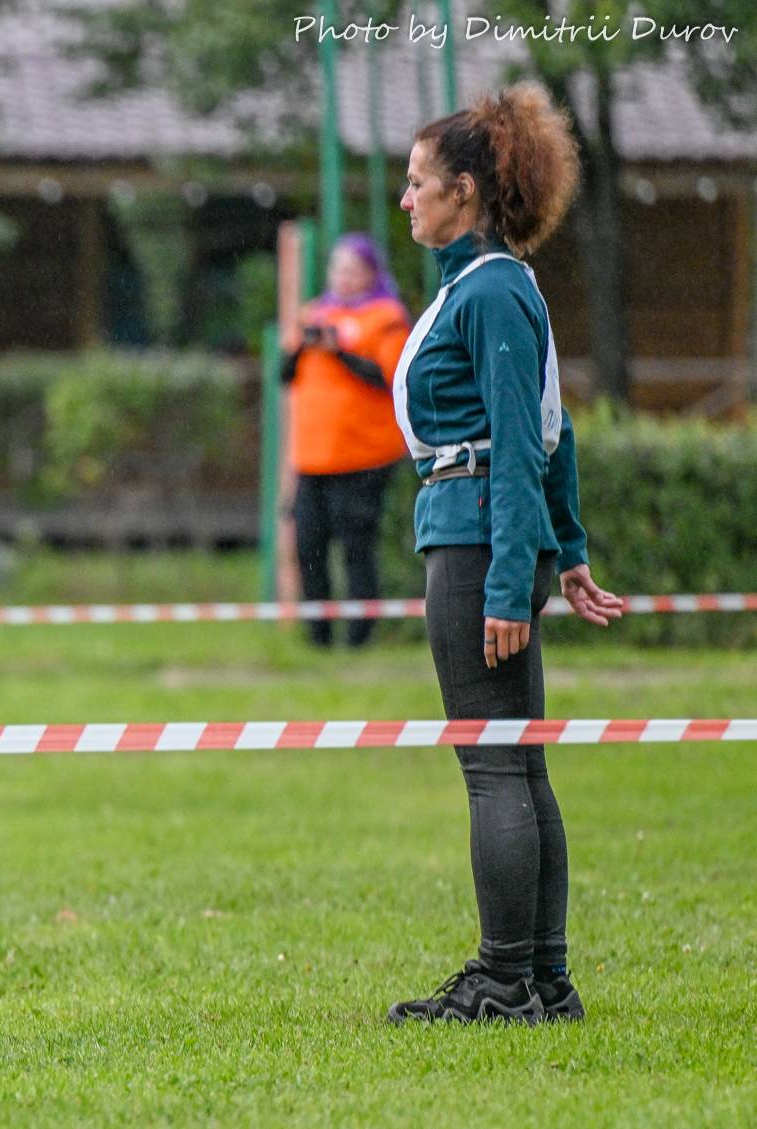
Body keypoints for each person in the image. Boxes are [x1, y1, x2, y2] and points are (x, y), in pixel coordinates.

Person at [384, 83, 627, 1024]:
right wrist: (562, 550)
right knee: (520, 762)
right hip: (500, 538)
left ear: (467, 193)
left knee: (493, 764)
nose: (407, 199)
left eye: (419, 183)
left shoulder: (485, 291)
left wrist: (507, 578)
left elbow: (523, 443)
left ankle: (500, 980)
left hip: (474, 537)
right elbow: (552, 431)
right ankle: (544, 978)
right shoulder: (497, 285)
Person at [282, 233, 412, 647]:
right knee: (309, 547)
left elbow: (391, 379)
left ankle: (360, 636)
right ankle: (317, 637)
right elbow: (284, 374)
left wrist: (339, 351)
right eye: (337, 268)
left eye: (353, 270)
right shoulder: (314, 314)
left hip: (364, 457)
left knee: (356, 547)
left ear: (371, 274)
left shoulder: (386, 316)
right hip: (313, 457)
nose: (343, 277)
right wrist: (305, 344)